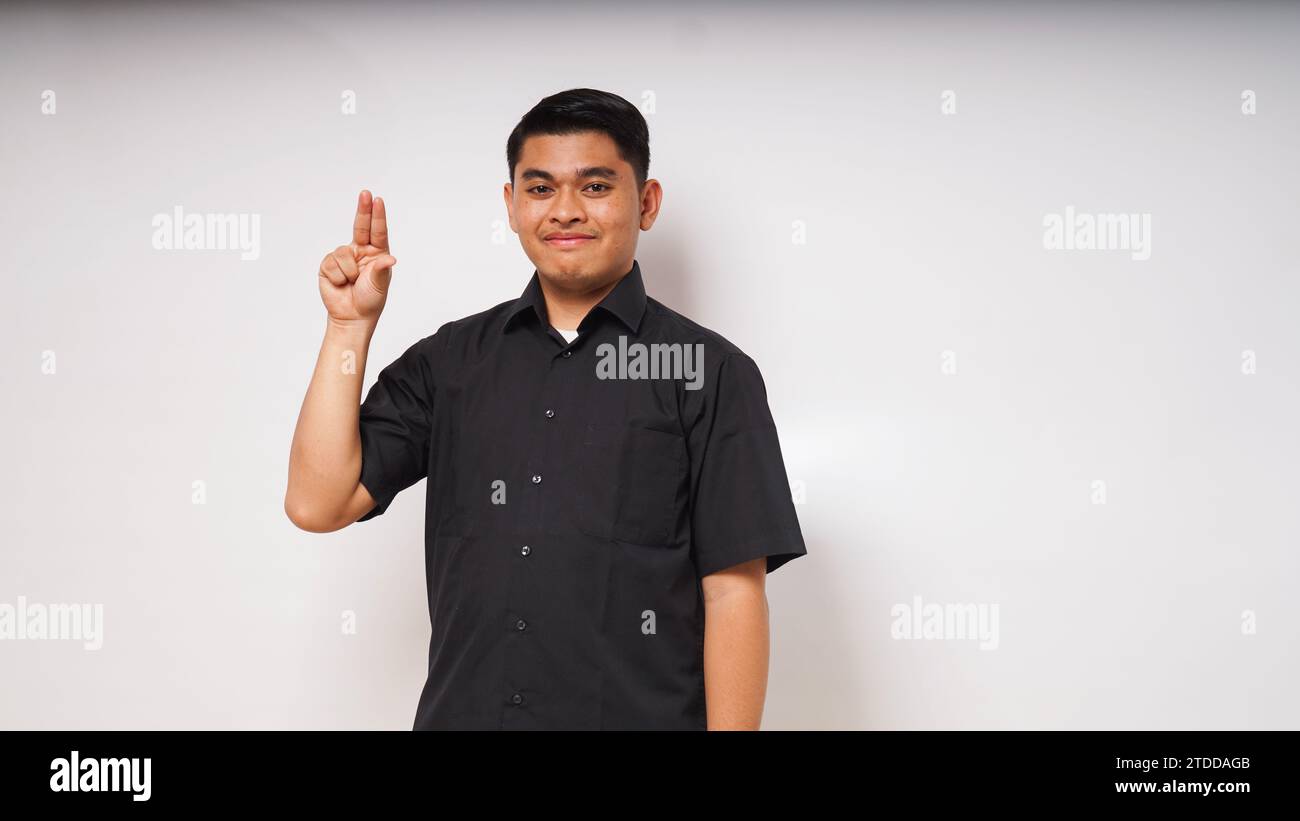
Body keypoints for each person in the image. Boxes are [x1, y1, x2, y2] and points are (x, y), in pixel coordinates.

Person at [285, 88, 807, 730]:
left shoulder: (709, 372)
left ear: (646, 203)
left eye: (594, 187)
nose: (564, 211)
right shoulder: (451, 362)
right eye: (539, 189)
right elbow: (318, 503)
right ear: (510, 206)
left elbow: (733, 594)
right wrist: (348, 327)